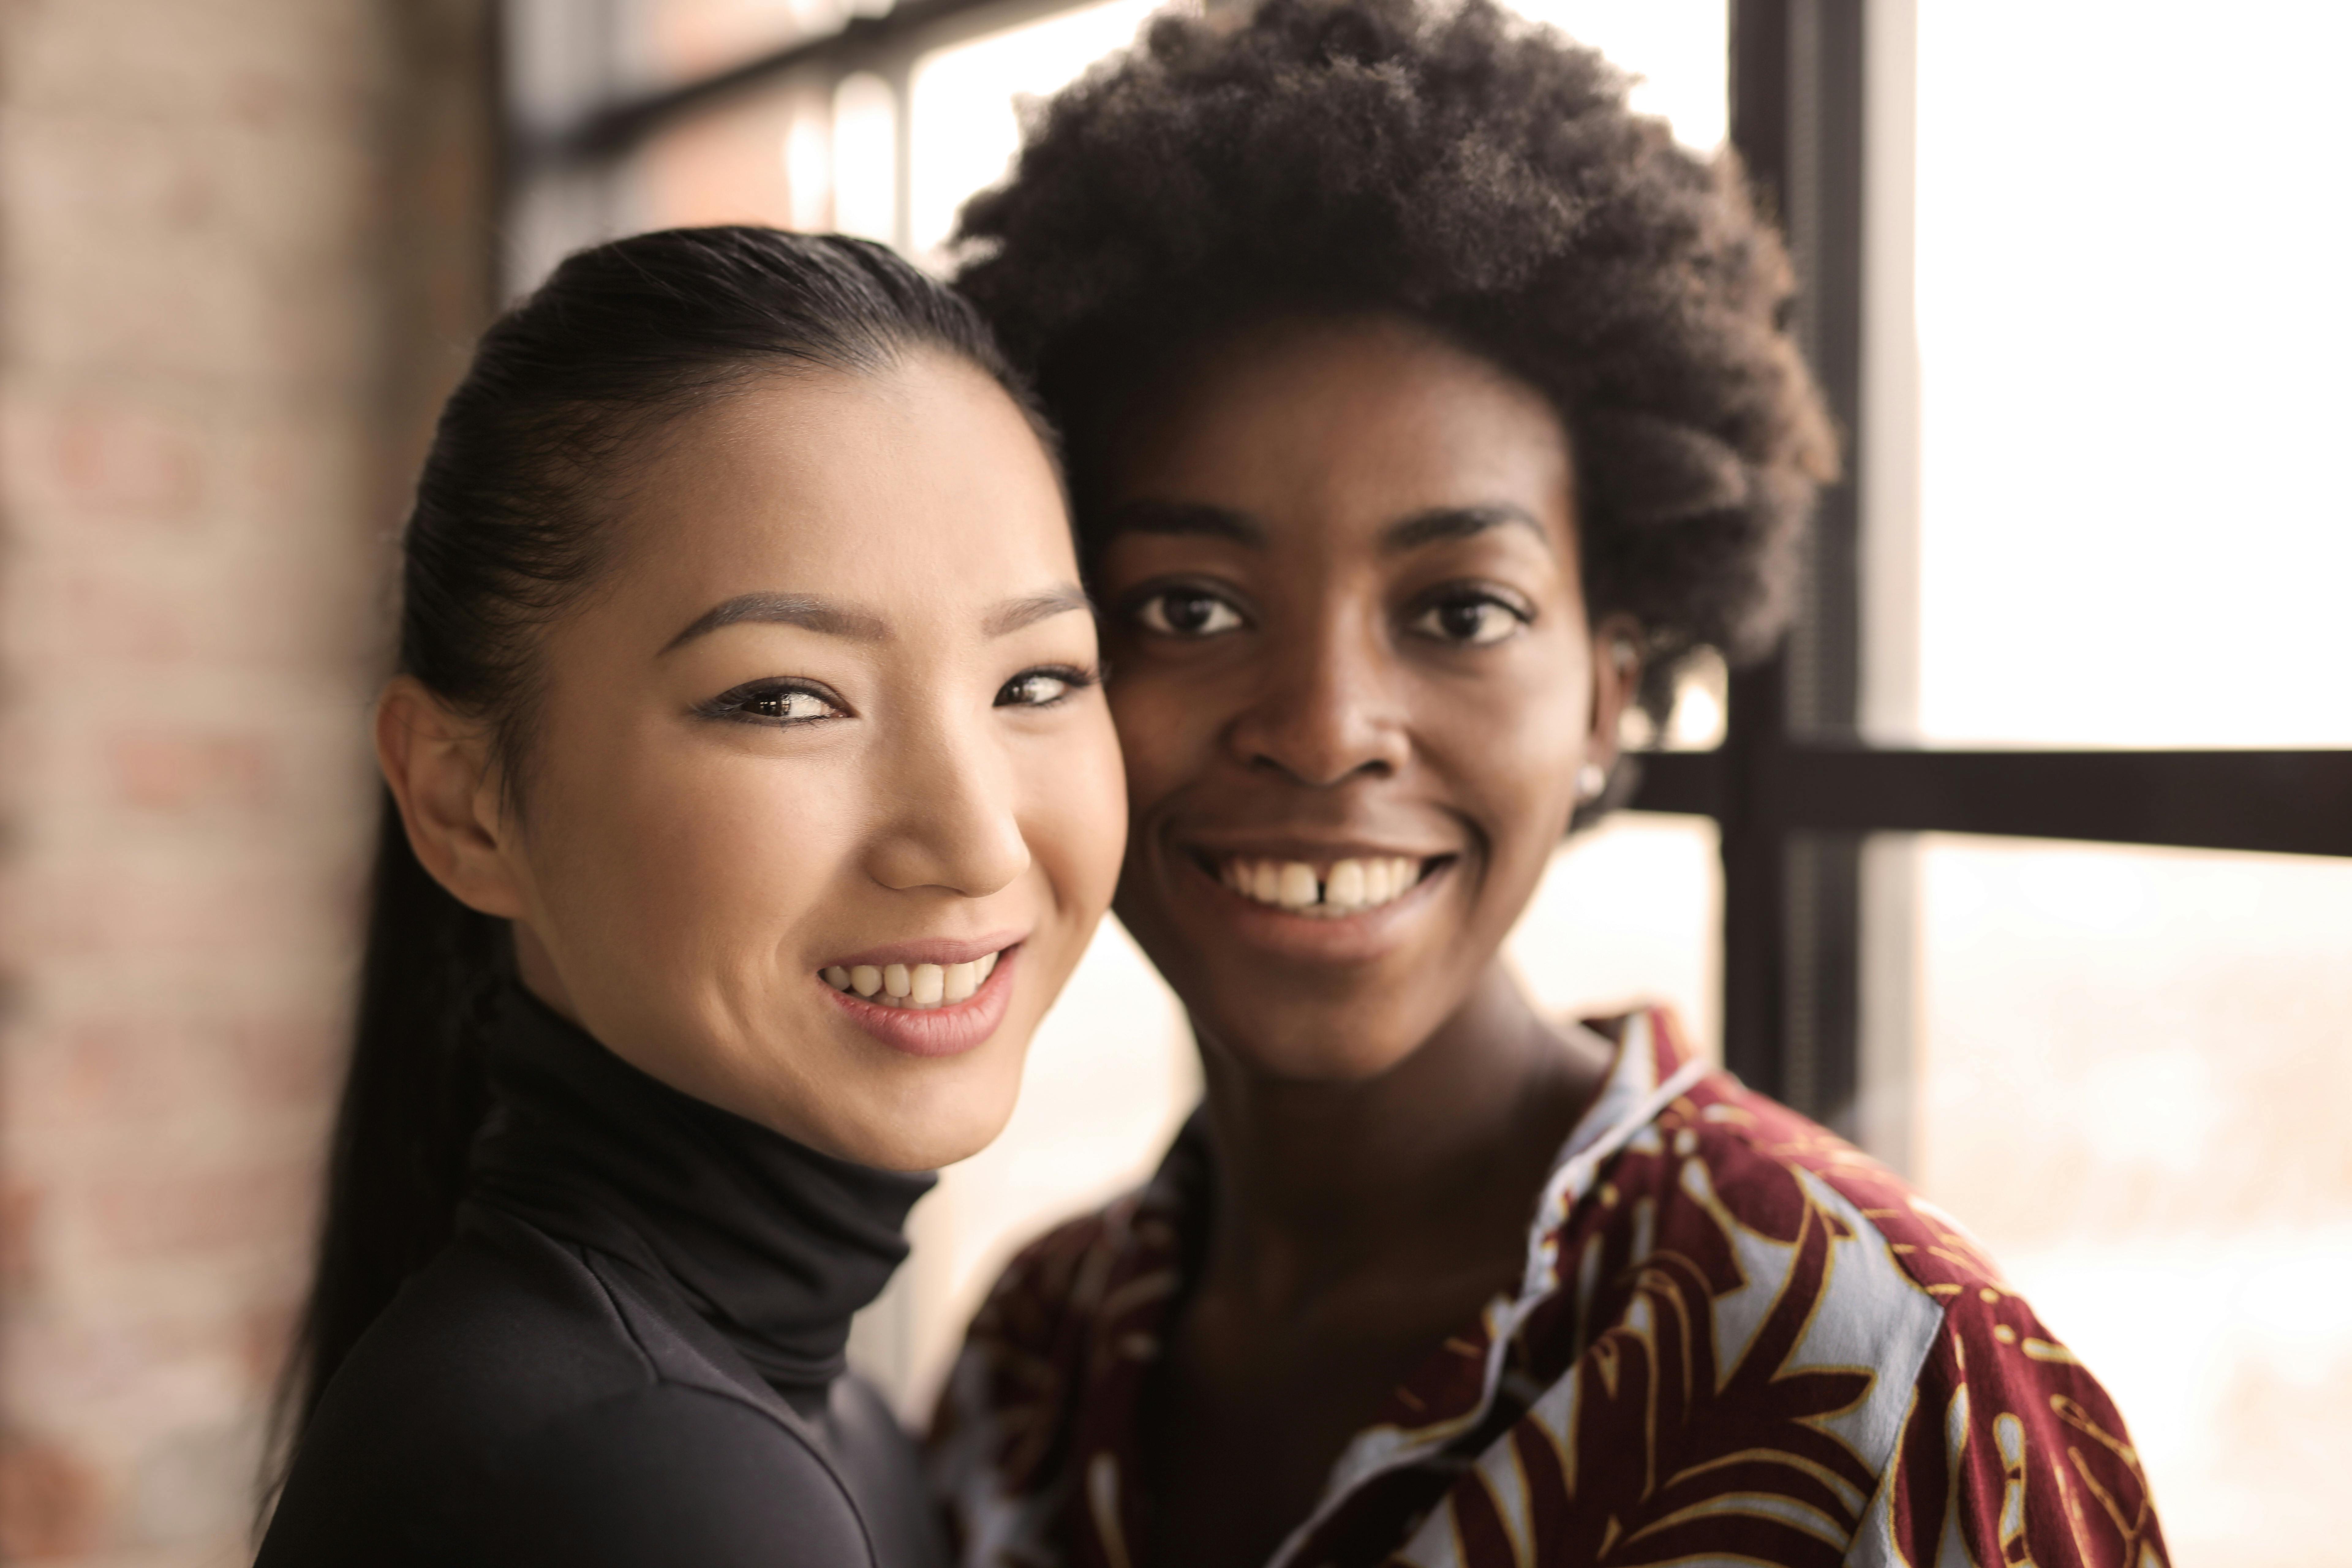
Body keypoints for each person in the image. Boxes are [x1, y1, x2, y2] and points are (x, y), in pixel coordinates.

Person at [926, 3, 2165, 1565]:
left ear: (1608, 694)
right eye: (1189, 605)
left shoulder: (1890, 1381)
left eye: (1460, 611)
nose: (1324, 729)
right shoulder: (1033, 1350)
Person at [256, 227, 1126, 1566]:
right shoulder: (639, 1472)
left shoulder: (825, 1423)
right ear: (460, 798)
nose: (973, 839)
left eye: (1036, 681)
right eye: (787, 698)